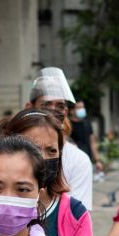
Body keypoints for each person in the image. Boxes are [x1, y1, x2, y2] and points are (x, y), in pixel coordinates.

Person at [27, 67, 93, 210]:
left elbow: (76, 217)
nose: (53, 110)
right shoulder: (15, 152)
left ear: (66, 112)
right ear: (30, 107)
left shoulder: (78, 160)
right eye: (46, 104)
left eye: (60, 105)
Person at [69, 99, 103, 174]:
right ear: (71, 111)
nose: (82, 109)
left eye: (83, 107)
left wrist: (97, 160)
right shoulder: (68, 126)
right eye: (79, 108)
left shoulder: (87, 123)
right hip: (74, 162)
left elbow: (92, 143)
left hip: (87, 159)